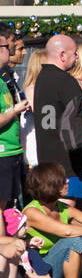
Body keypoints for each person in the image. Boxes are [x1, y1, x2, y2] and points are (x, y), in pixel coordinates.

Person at [32, 34, 82, 179]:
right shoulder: (66, 81)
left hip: (46, 158)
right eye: (75, 53)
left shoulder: (41, 77)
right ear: (63, 55)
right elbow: (79, 119)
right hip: (67, 162)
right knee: (68, 201)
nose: (76, 57)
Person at [0, 38, 27, 210]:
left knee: (8, 209)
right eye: (5, 46)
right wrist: (15, 110)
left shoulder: (3, 79)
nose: (9, 50)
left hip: (12, 151)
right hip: (2, 153)